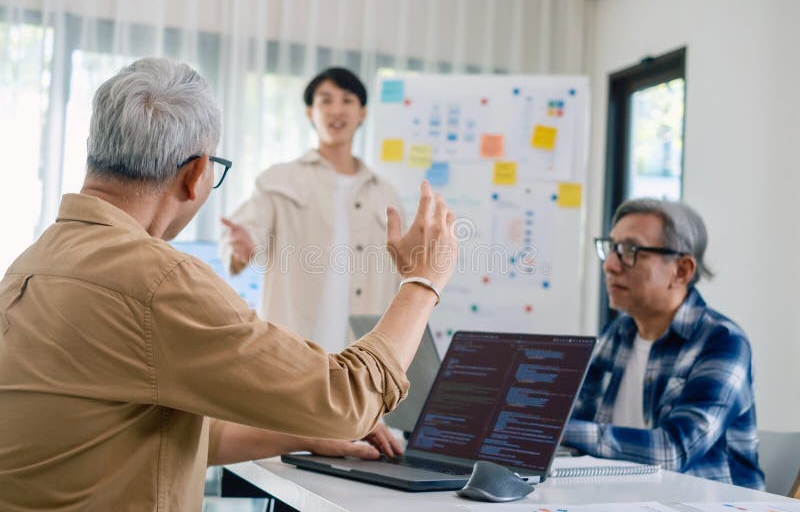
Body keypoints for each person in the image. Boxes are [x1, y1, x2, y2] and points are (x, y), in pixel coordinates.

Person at [0, 57, 458, 510]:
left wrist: (305, 433)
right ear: (197, 173)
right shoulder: (158, 282)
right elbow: (348, 399)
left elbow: (160, 431)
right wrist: (423, 279)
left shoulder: (32, 263)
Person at [563, 198, 764, 489]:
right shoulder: (616, 334)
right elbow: (578, 426)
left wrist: (557, 431)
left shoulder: (723, 342)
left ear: (681, 271)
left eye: (630, 251)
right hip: (622, 497)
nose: (609, 265)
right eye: (610, 248)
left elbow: (673, 451)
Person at [220, 67, 403, 353]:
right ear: (310, 113)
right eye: (325, 101)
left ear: (363, 112)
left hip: (362, 357)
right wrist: (240, 247)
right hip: (292, 351)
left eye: (347, 100)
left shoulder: (386, 194)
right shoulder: (280, 180)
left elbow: (400, 275)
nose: (336, 110)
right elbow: (245, 231)